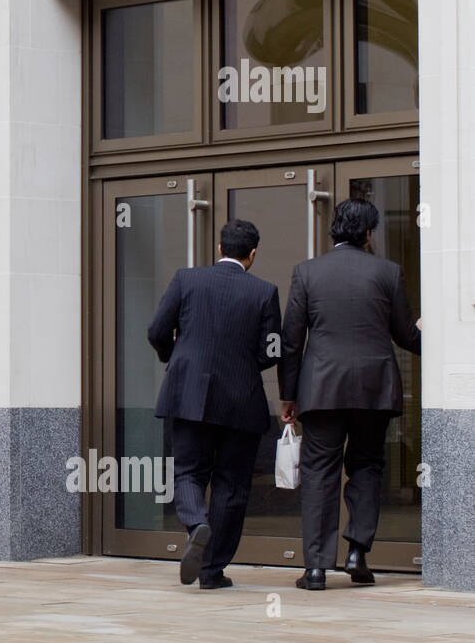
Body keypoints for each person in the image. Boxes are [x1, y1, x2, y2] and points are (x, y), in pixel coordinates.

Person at [279, 198, 421, 591]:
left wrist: (288, 396)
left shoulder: (307, 272)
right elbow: (406, 335)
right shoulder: (388, 272)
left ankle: (316, 568)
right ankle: (358, 551)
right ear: (369, 232)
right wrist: (432, 329)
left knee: (319, 473)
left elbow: (291, 341)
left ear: (334, 230)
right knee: (368, 466)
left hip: (321, 389)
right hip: (374, 388)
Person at [148, 219, 282, 589]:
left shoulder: (185, 280)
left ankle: (196, 523)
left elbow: (156, 330)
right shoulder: (265, 291)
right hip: (242, 400)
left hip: (188, 394)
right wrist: (242, 363)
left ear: (219, 249)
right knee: (232, 485)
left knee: (189, 471)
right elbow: (271, 350)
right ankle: (212, 571)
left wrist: (176, 358)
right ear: (252, 255)